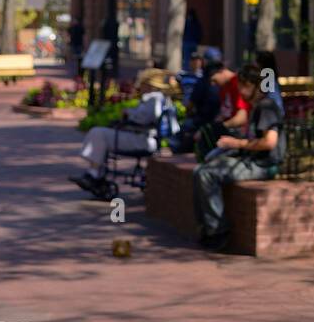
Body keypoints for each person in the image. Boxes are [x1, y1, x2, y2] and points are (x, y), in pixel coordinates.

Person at [192, 64, 285, 250]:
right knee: (199, 170)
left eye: (244, 86)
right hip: (249, 159)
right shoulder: (255, 107)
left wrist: (237, 143)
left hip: (263, 164)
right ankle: (205, 227)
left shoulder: (266, 107)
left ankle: (218, 230)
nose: (241, 91)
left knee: (206, 174)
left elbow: (269, 142)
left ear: (254, 85)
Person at [68, 91, 177, 199]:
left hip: (143, 140)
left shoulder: (154, 98)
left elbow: (145, 119)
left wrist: (128, 114)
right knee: (100, 133)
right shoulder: (155, 98)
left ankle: (94, 174)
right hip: (141, 137)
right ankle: (94, 172)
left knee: (98, 133)